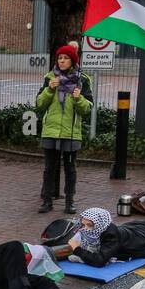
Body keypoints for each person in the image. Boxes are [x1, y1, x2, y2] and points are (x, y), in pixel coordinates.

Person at [37, 44, 93, 216]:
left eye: (65, 58)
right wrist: (49, 89)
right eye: (59, 58)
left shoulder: (83, 80)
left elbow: (88, 108)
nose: (61, 61)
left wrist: (78, 98)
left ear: (73, 60)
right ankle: (47, 200)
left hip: (70, 132)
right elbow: (39, 104)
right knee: (49, 168)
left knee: (70, 169)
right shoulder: (49, 78)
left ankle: (70, 202)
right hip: (51, 131)